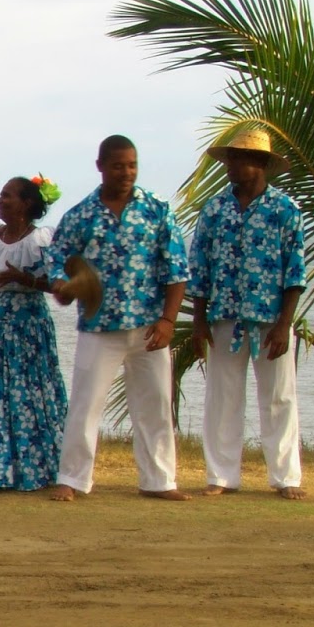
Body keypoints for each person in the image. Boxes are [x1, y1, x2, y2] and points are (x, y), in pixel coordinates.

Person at [46, 135, 189, 501]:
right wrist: (63, 285)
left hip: (148, 326)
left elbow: (176, 269)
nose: (126, 172)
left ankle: (159, 481)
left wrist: (168, 321)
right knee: (85, 405)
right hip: (99, 326)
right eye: (118, 165)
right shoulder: (81, 215)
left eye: (132, 165)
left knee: (155, 405)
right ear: (100, 166)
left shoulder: (157, 209)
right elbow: (56, 259)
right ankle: (72, 479)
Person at [188, 126, 306, 499]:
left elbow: (295, 271)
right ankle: (222, 476)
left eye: (238, 159)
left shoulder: (284, 209)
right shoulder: (215, 209)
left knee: (279, 396)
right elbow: (200, 266)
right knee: (223, 395)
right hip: (225, 317)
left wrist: (285, 324)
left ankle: (286, 477)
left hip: (269, 318)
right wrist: (199, 320)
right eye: (229, 159)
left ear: (259, 164)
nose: (231, 166)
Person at [0, 176, 67, 491]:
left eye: (7, 196)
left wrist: (25, 278)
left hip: (29, 326)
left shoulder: (41, 240)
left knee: (30, 393)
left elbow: (58, 284)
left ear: (26, 204)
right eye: (0, 194)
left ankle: (37, 467)